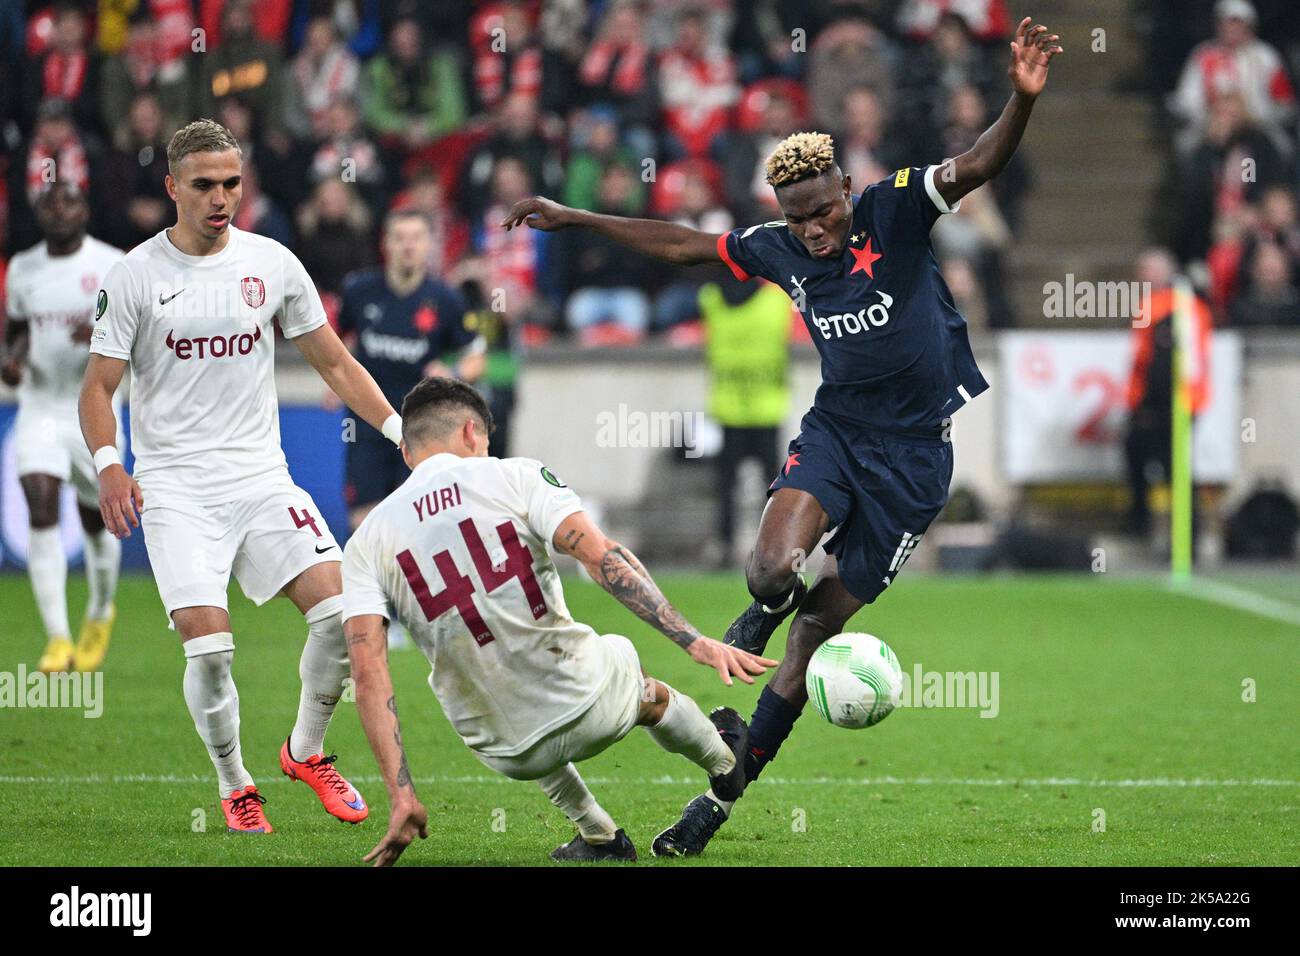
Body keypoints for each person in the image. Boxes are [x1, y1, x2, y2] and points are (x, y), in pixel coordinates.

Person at [502, 18, 1061, 856]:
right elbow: (685, 246)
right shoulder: (778, 250)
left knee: (808, 642)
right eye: (797, 219)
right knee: (769, 572)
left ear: (844, 187)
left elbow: (979, 163)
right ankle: (750, 623)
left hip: (914, 465)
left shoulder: (896, 208)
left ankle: (720, 799)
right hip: (839, 431)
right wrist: (576, 218)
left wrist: (1018, 99)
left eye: (822, 211)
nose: (813, 231)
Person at [79, 119, 403, 834]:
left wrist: (401, 431)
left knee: (346, 616)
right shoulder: (135, 276)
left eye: (231, 182)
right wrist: (110, 465)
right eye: (204, 185)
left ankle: (305, 751)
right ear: (172, 187)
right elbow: (98, 388)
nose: (221, 197)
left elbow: (335, 362)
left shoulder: (273, 265)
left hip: (261, 478)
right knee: (212, 650)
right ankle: (234, 784)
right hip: (174, 488)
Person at [340, 377, 776, 865]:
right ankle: (723, 762)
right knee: (626, 663)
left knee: (496, 678)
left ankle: (599, 836)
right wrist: (695, 642)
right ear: (470, 433)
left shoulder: (365, 541)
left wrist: (401, 796)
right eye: (485, 442)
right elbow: (600, 558)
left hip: (503, 751)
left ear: (407, 453)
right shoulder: (516, 477)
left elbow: (368, 673)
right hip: (593, 704)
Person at [2, 182, 124, 673]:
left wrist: (100, 334)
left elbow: (144, 335)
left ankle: (100, 610)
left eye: (68, 202)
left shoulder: (112, 264)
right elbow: (14, 335)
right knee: (40, 501)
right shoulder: (23, 269)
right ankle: (57, 637)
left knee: (99, 519)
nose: (59, 211)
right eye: (49, 205)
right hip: (40, 408)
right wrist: (9, 364)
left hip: (93, 409)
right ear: (39, 215)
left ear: (84, 210)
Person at [336, 209, 485, 531]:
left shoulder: (446, 299)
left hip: (421, 424)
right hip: (367, 419)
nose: (408, 246)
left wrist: (452, 370)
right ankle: (370, 583)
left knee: (417, 522)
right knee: (364, 520)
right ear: (385, 243)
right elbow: (338, 341)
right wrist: (335, 378)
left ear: (429, 244)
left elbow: (477, 357)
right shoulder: (359, 291)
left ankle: (411, 582)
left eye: (416, 238)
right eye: (399, 238)